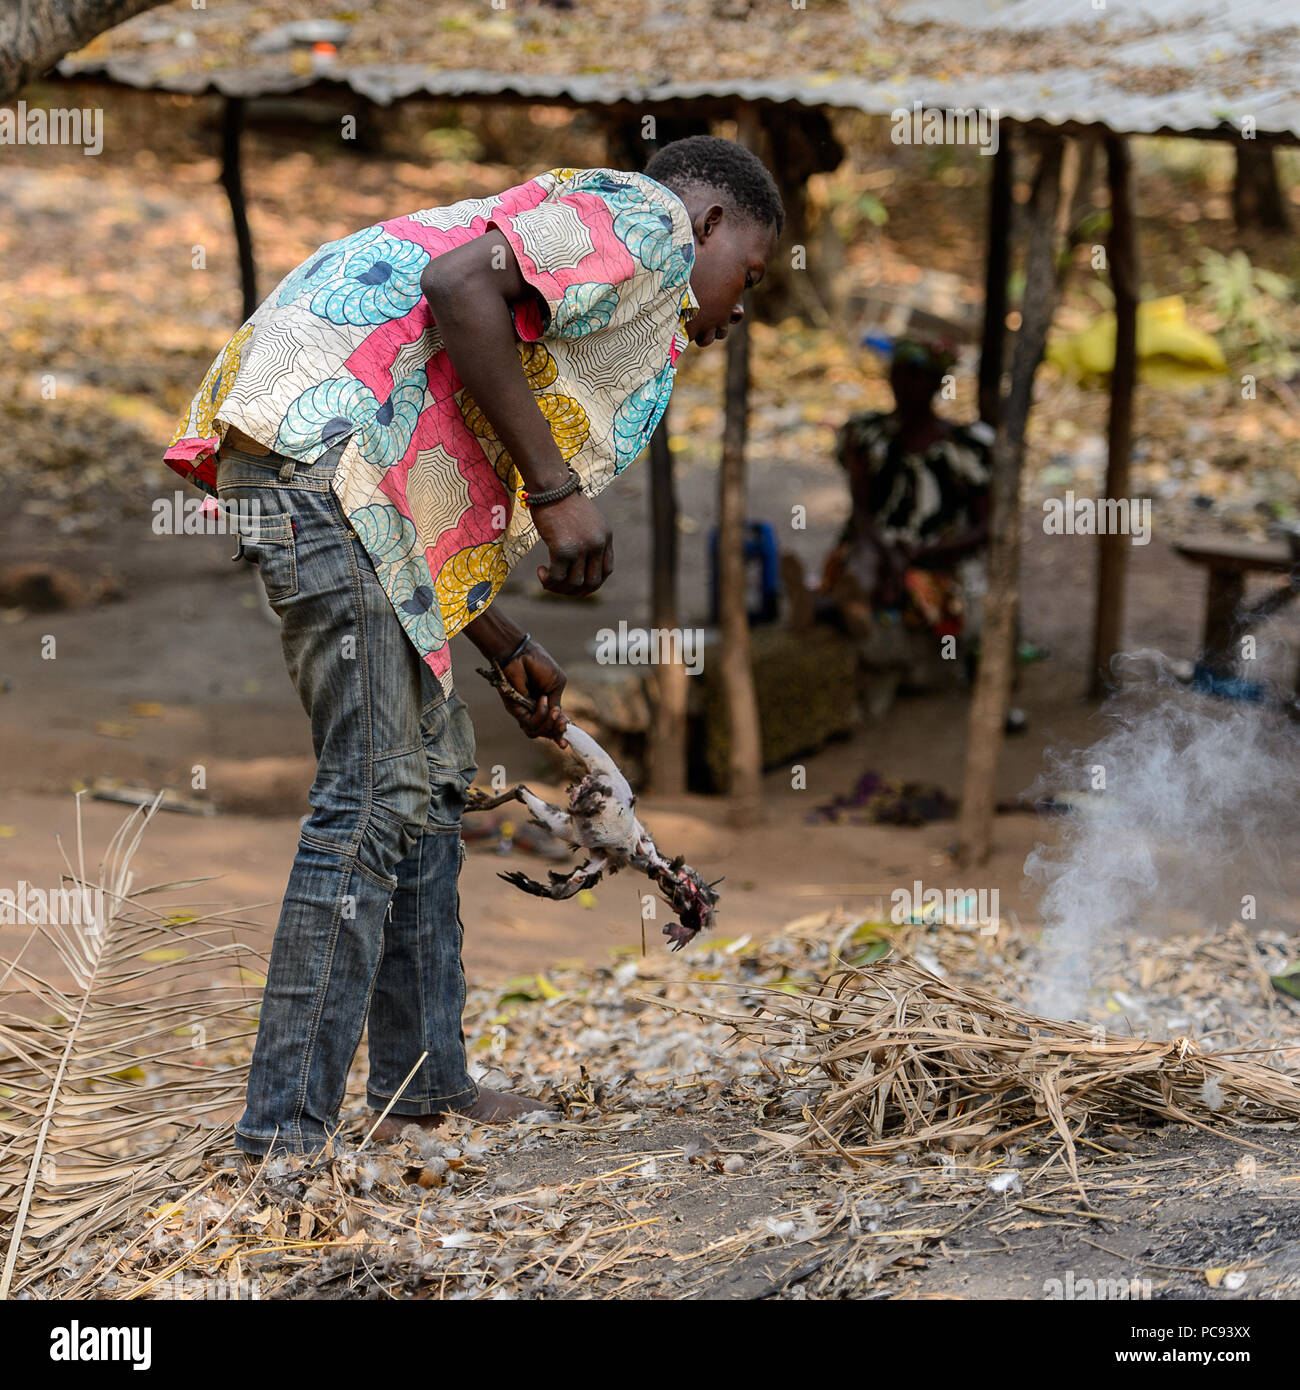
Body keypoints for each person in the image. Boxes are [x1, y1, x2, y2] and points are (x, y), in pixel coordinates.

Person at [163, 137, 783, 1157]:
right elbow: (460, 284)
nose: (742, 305)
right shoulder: (648, 222)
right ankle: (279, 1138)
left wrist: (501, 640)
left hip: (348, 481)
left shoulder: (599, 240)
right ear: (710, 222)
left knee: (430, 782)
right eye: (749, 273)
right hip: (328, 467)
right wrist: (555, 488)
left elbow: (427, 425)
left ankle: (422, 1084)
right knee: (369, 794)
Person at [821, 334, 993, 659]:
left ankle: (850, 611)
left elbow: (985, 527)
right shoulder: (867, 435)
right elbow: (862, 508)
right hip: (877, 548)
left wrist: (923, 553)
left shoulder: (968, 447)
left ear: (936, 384)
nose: (904, 385)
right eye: (898, 375)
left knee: (917, 587)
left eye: (915, 377)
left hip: (939, 558)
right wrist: (884, 550)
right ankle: (848, 601)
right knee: (863, 565)